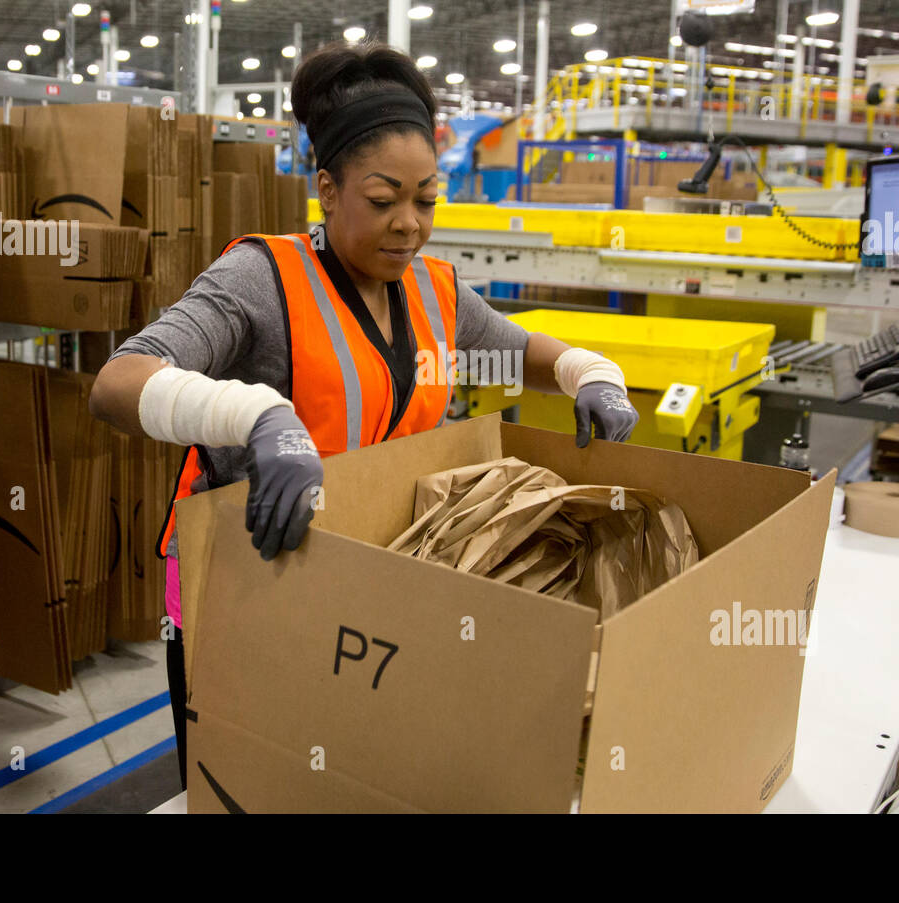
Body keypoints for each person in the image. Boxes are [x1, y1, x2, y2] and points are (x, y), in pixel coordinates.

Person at [87, 41, 638, 787]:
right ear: (327, 187)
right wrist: (258, 414)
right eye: (383, 201)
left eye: (426, 201)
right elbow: (117, 382)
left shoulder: (435, 290)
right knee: (248, 785)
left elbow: (519, 352)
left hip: (375, 590)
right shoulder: (260, 280)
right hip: (249, 591)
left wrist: (589, 375)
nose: (409, 224)